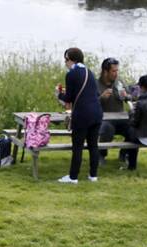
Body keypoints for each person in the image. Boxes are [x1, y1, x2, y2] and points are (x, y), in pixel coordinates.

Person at [56, 47, 103, 184]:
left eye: (66, 60)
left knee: (77, 147)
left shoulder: (71, 74)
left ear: (71, 59)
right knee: (93, 146)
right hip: (97, 113)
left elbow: (68, 98)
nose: (65, 63)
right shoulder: (90, 72)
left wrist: (58, 94)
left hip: (82, 114)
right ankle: (93, 176)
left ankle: (73, 177)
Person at [96, 58, 132, 161]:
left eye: (117, 71)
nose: (116, 74)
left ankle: (124, 153)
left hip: (120, 119)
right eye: (113, 71)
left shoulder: (119, 82)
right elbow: (91, 104)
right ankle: (101, 154)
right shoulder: (96, 84)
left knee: (133, 128)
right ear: (105, 71)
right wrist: (101, 98)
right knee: (108, 128)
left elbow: (130, 97)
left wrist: (127, 96)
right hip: (104, 120)